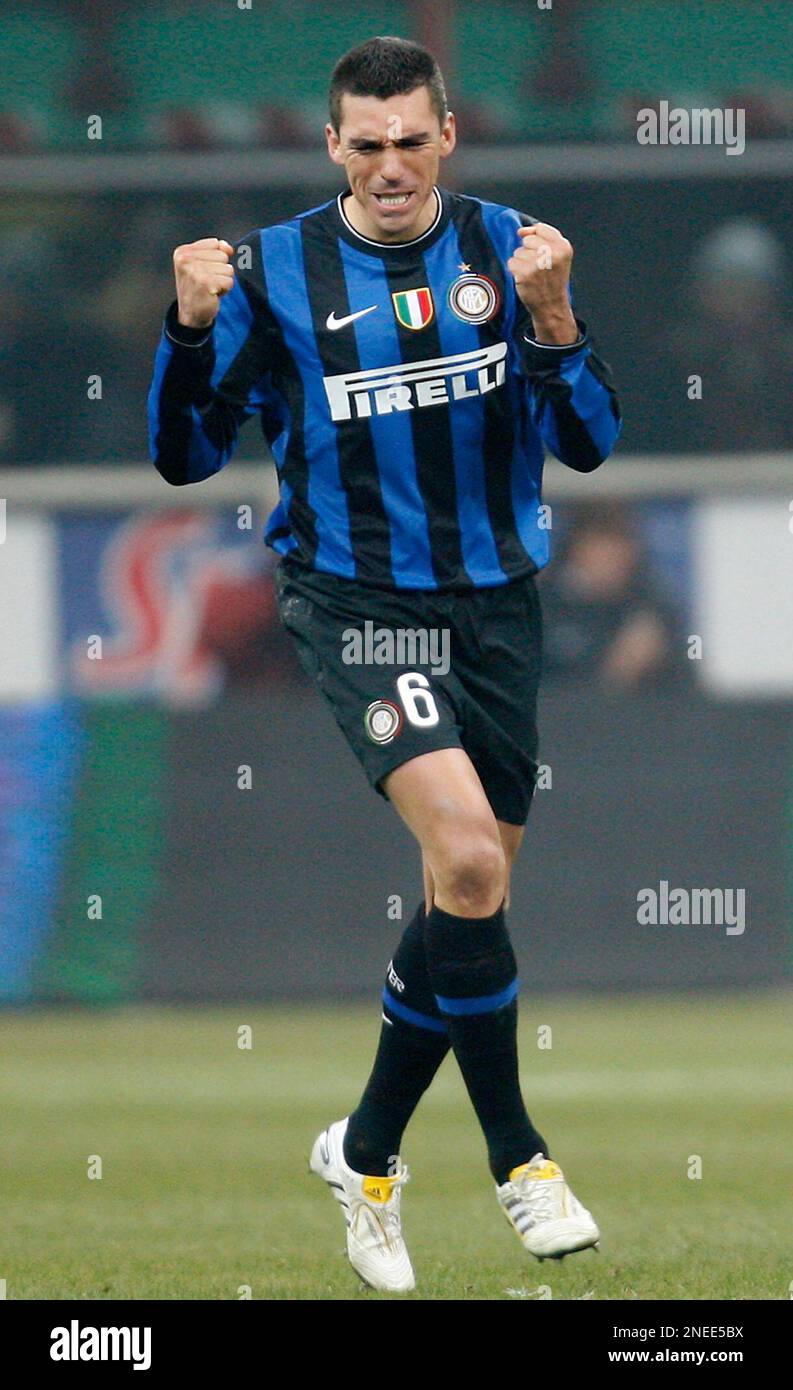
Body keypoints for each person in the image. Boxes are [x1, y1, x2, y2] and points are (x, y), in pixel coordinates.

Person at [148, 35, 622, 1293]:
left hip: (499, 608)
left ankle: (362, 1156)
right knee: (467, 858)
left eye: (413, 139)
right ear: (332, 148)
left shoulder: (515, 249)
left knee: (463, 899)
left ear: (447, 135)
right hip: (356, 600)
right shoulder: (274, 272)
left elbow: (590, 442)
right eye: (367, 144)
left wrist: (556, 317)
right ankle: (521, 1160)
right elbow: (186, 459)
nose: (392, 164)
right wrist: (190, 332)